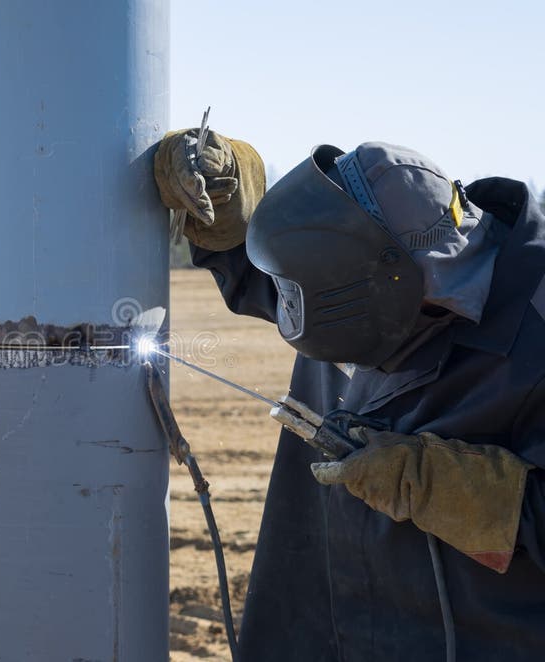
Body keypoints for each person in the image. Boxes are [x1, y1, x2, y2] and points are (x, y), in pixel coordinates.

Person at [154, 130, 545, 661]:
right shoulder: (371, 273)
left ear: (397, 291)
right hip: (321, 625)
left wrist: (439, 485)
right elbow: (292, 279)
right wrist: (227, 198)